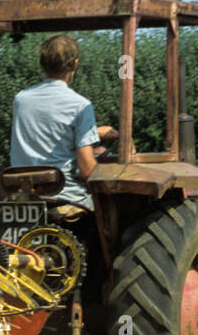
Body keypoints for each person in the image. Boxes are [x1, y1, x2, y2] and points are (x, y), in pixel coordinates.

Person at [9, 34, 119, 213]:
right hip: (66, 200)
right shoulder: (80, 105)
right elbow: (87, 171)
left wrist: (93, 132)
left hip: (23, 199)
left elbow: (45, 127)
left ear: (41, 64)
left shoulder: (20, 100)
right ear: (74, 64)